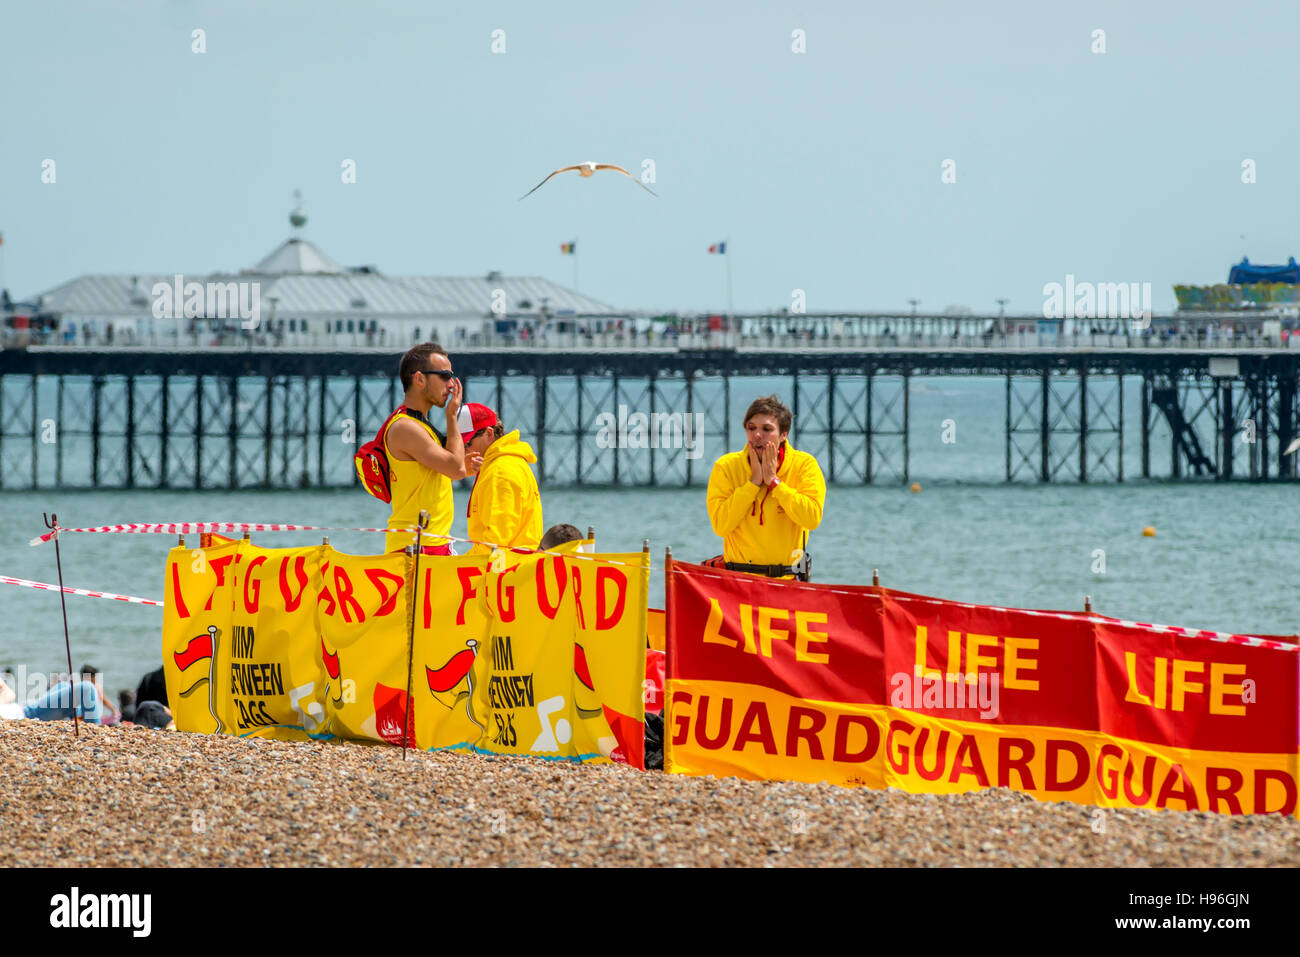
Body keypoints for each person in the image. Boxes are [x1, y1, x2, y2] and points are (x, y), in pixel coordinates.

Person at [706, 395, 825, 580]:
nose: (757, 435)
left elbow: (812, 519)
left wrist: (774, 483)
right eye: (751, 428)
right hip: (738, 581)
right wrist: (752, 484)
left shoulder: (804, 465)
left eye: (767, 429)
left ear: (784, 434)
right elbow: (721, 526)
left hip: (786, 582)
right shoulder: (726, 467)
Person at [383, 343, 480, 555]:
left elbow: (432, 477)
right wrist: (452, 416)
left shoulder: (421, 425)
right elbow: (455, 469)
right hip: (415, 547)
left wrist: (466, 466)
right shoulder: (404, 427)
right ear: (419, 379)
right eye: (444, 376)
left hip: (433, 542)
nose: (452, 385)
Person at [459, 403, 543, 557]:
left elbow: (495, 544)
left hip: (505, 572)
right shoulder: (512, 461)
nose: (465, 450)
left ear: (489, 434)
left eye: (467, 443)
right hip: (520, 565)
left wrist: (457, 565)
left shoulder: (499, 473)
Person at [0, 670, 103, 723]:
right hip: (27, 715)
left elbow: (10, 694)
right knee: (87, 688)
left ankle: (81, 722)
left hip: (24, 708)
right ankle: (96, 731)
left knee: (63, 686)